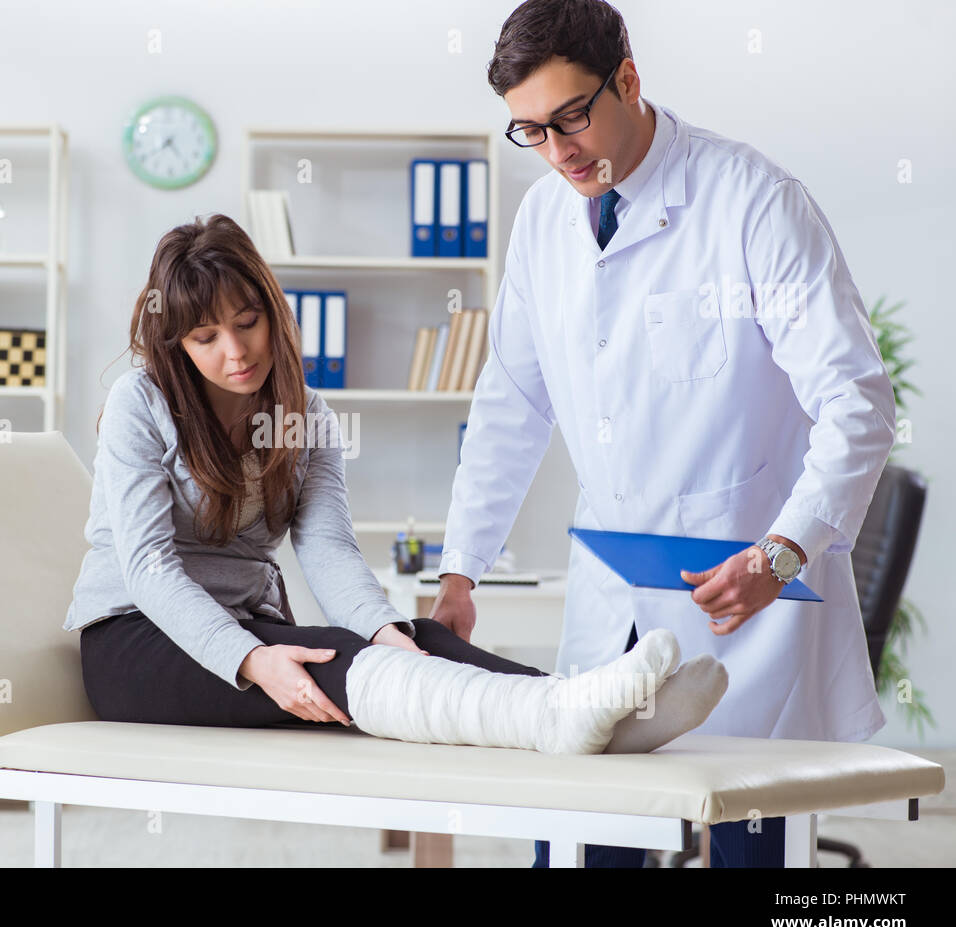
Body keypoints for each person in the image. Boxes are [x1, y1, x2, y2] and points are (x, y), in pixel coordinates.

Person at [432, 0, 895, 867]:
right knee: (575, 853)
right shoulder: (543, 222)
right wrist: (462, 567)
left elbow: (859, 401)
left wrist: (782, 555)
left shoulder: (753, 202)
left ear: (630, 79)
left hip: (753, 613)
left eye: (572, 117)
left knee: (753, 861)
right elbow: (512, 404)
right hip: (610, 616)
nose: (559, 151)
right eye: (529, 131)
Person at [63, 213, 729, 768]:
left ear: (272, 311)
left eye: (247, 322)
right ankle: (555, 716)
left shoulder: (304, 412)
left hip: (244, 625)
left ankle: (594, 710)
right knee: (337, 659)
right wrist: (253, 658)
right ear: (177, 343)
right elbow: (149, 568)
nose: (235, 350)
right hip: (136, 638)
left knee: (408, 638)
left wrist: (384, 628)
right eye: (206, 337)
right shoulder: (139, 402)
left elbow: (327, 547)